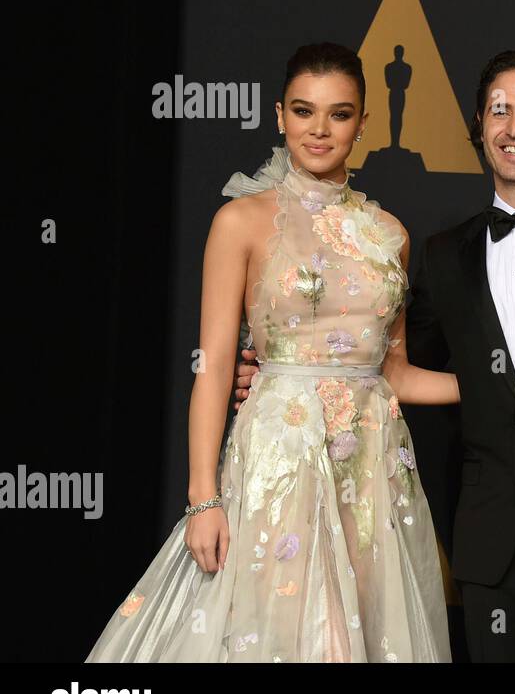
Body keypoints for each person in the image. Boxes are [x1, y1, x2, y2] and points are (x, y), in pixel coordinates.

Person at [237, 50, 515, 662]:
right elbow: (381, 358)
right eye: (500, 111)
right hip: (488, 541)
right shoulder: (446, 254)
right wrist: (282, 371)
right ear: (478, 124)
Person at [88, 43, 458, 662]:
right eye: (303, 111)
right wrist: (203, 496)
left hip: (371, 465)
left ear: (363, 123)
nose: (319, 129)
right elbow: (210, 370)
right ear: (278, 115)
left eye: (339, 114)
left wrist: (500, 382)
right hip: (281, 456)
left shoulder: (391, 234)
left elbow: (392, 372)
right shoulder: (241, 221)